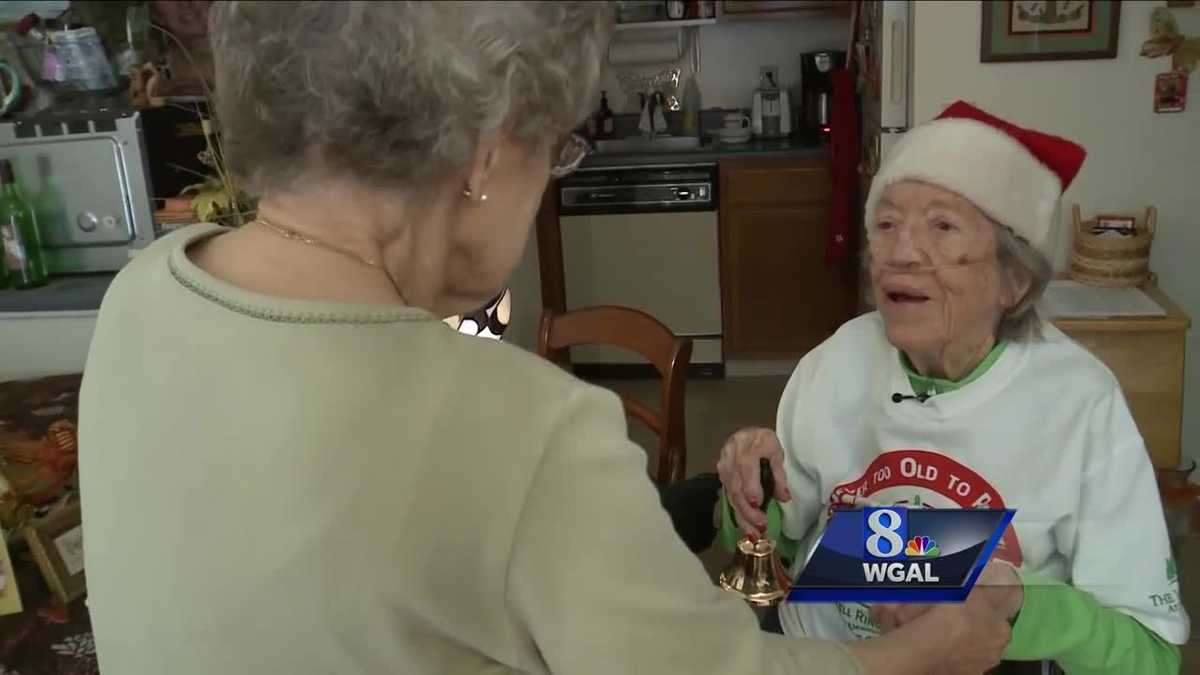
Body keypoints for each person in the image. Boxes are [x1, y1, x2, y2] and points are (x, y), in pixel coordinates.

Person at [78, 3, 1010, 673]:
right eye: (556, 148)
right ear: (486, 154)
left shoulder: (141, 297)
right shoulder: (528, 433)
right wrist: (926, 650)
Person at [717, 101, 1190, 673]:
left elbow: (1152, 654)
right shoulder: (837, 359)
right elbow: (777, 543)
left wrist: (1016, 608)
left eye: (941, 227)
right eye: (886, 225)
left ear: (1015, 278)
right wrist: (749, 492)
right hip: (821, 656)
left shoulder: (1079, 400)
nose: (901, 252)